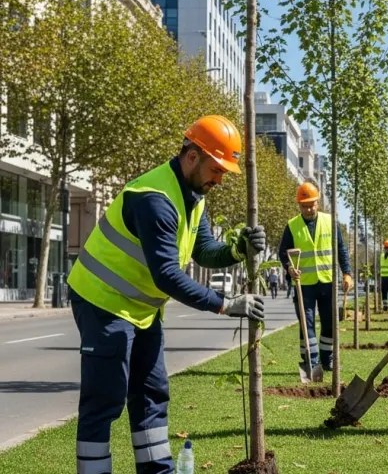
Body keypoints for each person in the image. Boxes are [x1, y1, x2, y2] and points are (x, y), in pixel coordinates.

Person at [67, 115, 267, 474]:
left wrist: (238, 250)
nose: (220, 179)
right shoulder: (155, 199)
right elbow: (168, 277)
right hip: (102, 302)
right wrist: (225, 304)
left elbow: (204, 251)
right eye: (217, 169)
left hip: (141, 310)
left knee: (152, 395)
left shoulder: (193, 194)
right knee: (105, 400)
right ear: (193, 156)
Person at [278, 181, 353, 372]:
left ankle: (327, 360)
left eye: (312, 204)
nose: (309, 209)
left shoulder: (330, 222)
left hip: (327, 282)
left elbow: (341, 250)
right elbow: (282, 253)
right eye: (305, 205)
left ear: (318, 202)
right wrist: (289, 268)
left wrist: (347, 273)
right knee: (306, 323)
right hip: (304, 284)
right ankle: (311, 362)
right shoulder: (292, 226)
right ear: (299, 205)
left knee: (329, 323)